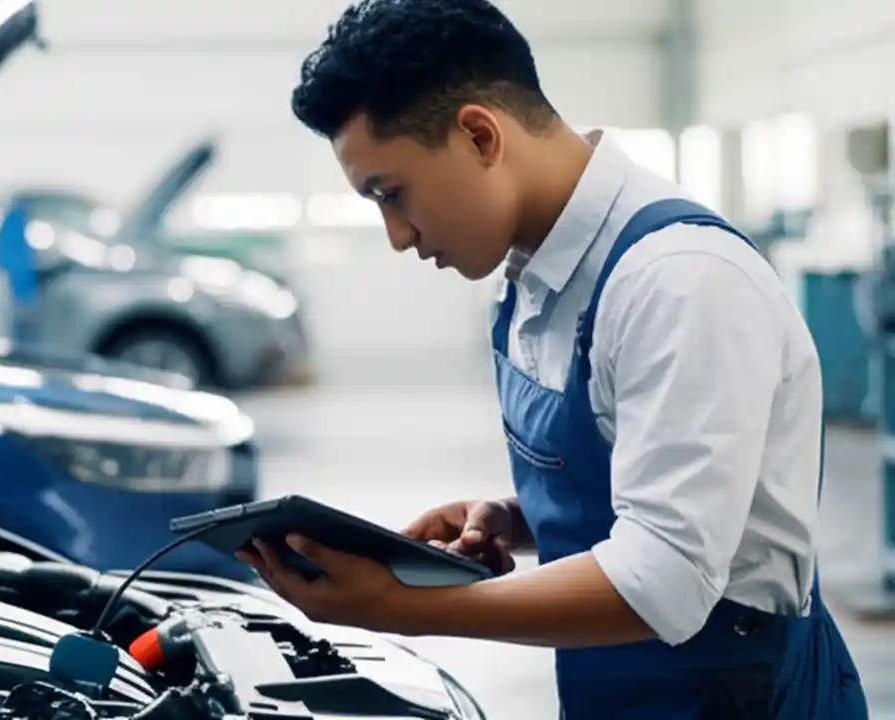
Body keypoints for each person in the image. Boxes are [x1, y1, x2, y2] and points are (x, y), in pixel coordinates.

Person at [236, 1, 868, 717]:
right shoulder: (534, 275)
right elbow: (665, 480)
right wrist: (515, 518)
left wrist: (402, 608)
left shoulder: (678, 280)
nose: (396, 236)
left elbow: (664, 577)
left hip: (739, 695)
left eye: (392, 193)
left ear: (479, 134)